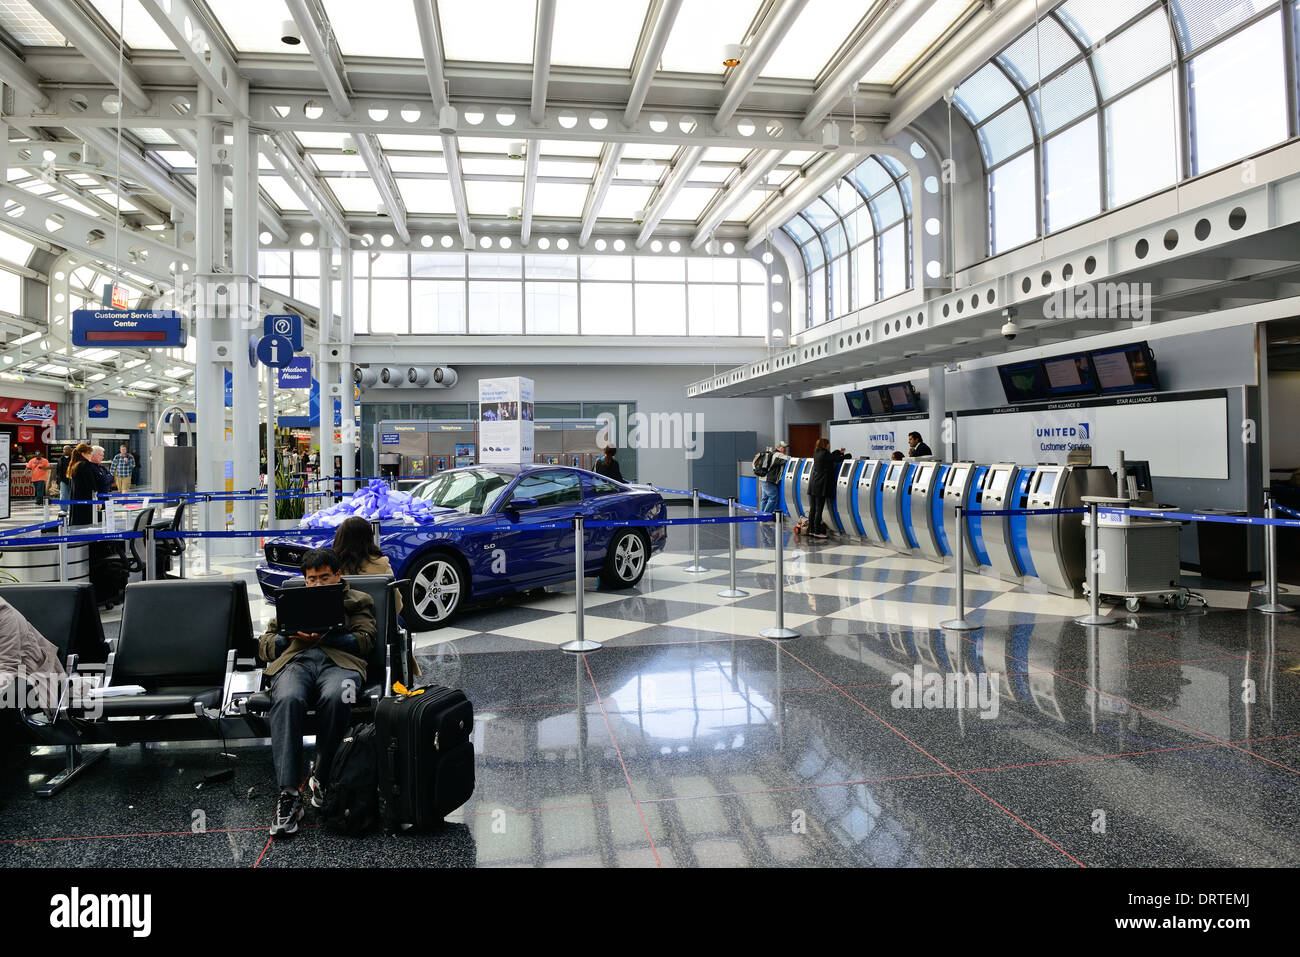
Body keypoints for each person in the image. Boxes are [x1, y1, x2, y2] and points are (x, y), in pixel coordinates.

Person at [260, 548, 377, 838]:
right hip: (296, 662)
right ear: (305, 579)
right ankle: (288, 793)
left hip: (341, 664)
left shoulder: (358, 599)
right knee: (286, 698)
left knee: (339, 696)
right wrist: (286, 636)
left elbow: (366, 641)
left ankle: (323, 778)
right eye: (312, 579)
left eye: (324, 578)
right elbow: (264, 645)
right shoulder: (292, 600)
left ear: (338, 575)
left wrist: (329, 634)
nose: (317, 584)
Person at [332, 515, 403, 615]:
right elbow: (397, 606)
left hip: (341, 620)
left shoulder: (331, 566)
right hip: (375, 620)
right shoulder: (382, 564)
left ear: (339, 538)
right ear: (369, 538)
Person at [808, 438, 850, 540]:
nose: (829, 446)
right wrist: (847, 456)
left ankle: (811, 530)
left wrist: (839, 452)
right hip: (821, 485)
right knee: (819, 509)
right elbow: (835, 459)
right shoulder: (825, 454)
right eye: (828, 444)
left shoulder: (816, 453)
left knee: (813, 508)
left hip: (813, 483)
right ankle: (817, 532)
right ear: (825, 445)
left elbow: (831, 456)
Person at [66, 444, 97, 527]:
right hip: (85, 499)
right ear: (83, 454)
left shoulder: (74, 465)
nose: (91, 455)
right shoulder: (85, 465)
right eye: (89, 453)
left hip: (75, 499)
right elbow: (90, 483)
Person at [756, 440, 791, 514]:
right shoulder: (778, 455)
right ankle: (765, 515)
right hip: (768, 480)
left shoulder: (771, 453)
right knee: (773, 497)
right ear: (777, 447)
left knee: (765, 498)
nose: (784, 449)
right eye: (782, 447)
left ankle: (761, 515)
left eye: (785, 447)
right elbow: (790, 460)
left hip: (763, 478)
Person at [54, 444, 73, 511]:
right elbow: (58, 470)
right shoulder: (60, 459)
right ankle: (63, 509)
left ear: (70, 450)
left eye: (67, 449)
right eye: (64, 449)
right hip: (63, 480)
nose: (65, 451)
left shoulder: (73, 459)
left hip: (72, 479)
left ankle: (72, 509)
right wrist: (58, 480)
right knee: (63, 495)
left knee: (72, 495)